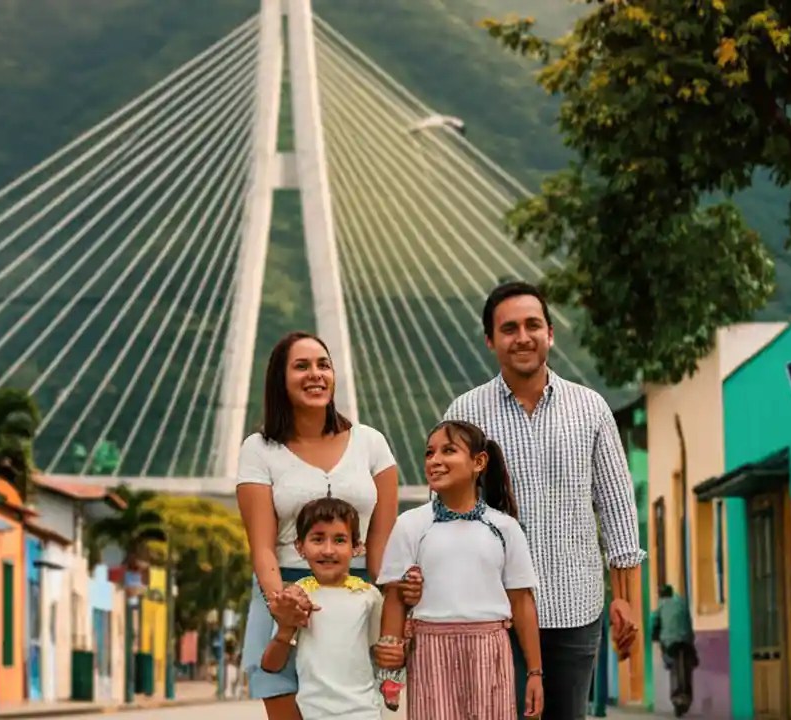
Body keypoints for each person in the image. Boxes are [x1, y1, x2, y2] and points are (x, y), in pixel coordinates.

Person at [444, 281, 646, 719]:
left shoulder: (590, 408)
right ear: (490, 340)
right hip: (490, 609)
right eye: (509, 328)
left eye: (533, 325)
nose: (523, 337)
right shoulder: (465, 415)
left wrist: (626, 597)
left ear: (550, 333)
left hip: (574, 606)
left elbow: (617, 508)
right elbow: (447, 514)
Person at [236, 331, 412, 720]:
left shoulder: (371, 444)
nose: (315, 374)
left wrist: (394, 613)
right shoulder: (258, 449)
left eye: (323, 364)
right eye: (301, 366)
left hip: (358, 601)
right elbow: (262, 545)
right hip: (284, 593)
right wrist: (281, 605)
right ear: (279, 379)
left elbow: (382, 544)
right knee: (283, 696)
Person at [376, 420, 544, 719]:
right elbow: (394, 597)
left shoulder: (505, 528)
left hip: (489, 650)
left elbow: (521, 602)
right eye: (429, 453)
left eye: (448, 451)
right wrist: (390, 669)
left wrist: (535, 673)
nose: (435, 461)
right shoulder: (410, 525)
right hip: (428, 650)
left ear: (479, 462)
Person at [261, 497, 384, 720]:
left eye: (339, 540)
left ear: (356, 547)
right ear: (300, 547)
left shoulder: (369, 597)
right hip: (312, 713)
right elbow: (271, 664)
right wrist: (286, 627)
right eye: (318, 539)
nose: (328, 550)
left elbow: (383, 654)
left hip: (364, 712)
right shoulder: (296, 597)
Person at [650, 585, 697, 717]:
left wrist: (655, 637)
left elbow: (653, 622)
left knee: (673, 670)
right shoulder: (682, 603)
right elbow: (689, 622)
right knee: (687, 671)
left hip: (670, 644)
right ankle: (686, 696)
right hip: (686, 642)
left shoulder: (661, 605)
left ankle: (676, 697)